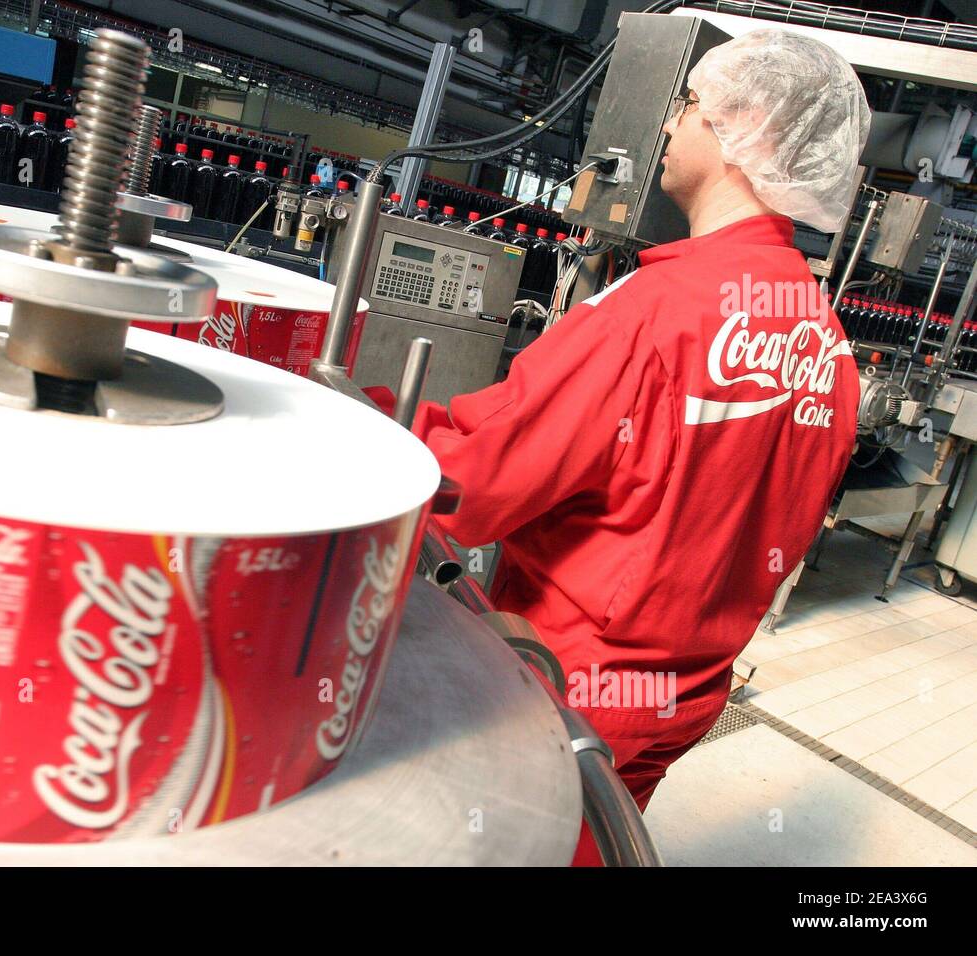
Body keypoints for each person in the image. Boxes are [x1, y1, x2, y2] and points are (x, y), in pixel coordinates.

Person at [373, 29, 871, 865]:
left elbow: (476, 481)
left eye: (687, 107)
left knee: (510, 846)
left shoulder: (657, 308)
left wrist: (366, 422)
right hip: (687, 691)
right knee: (597, 843)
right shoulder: (830, 348)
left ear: (738, 125)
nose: (671, 126)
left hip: (576, 681)